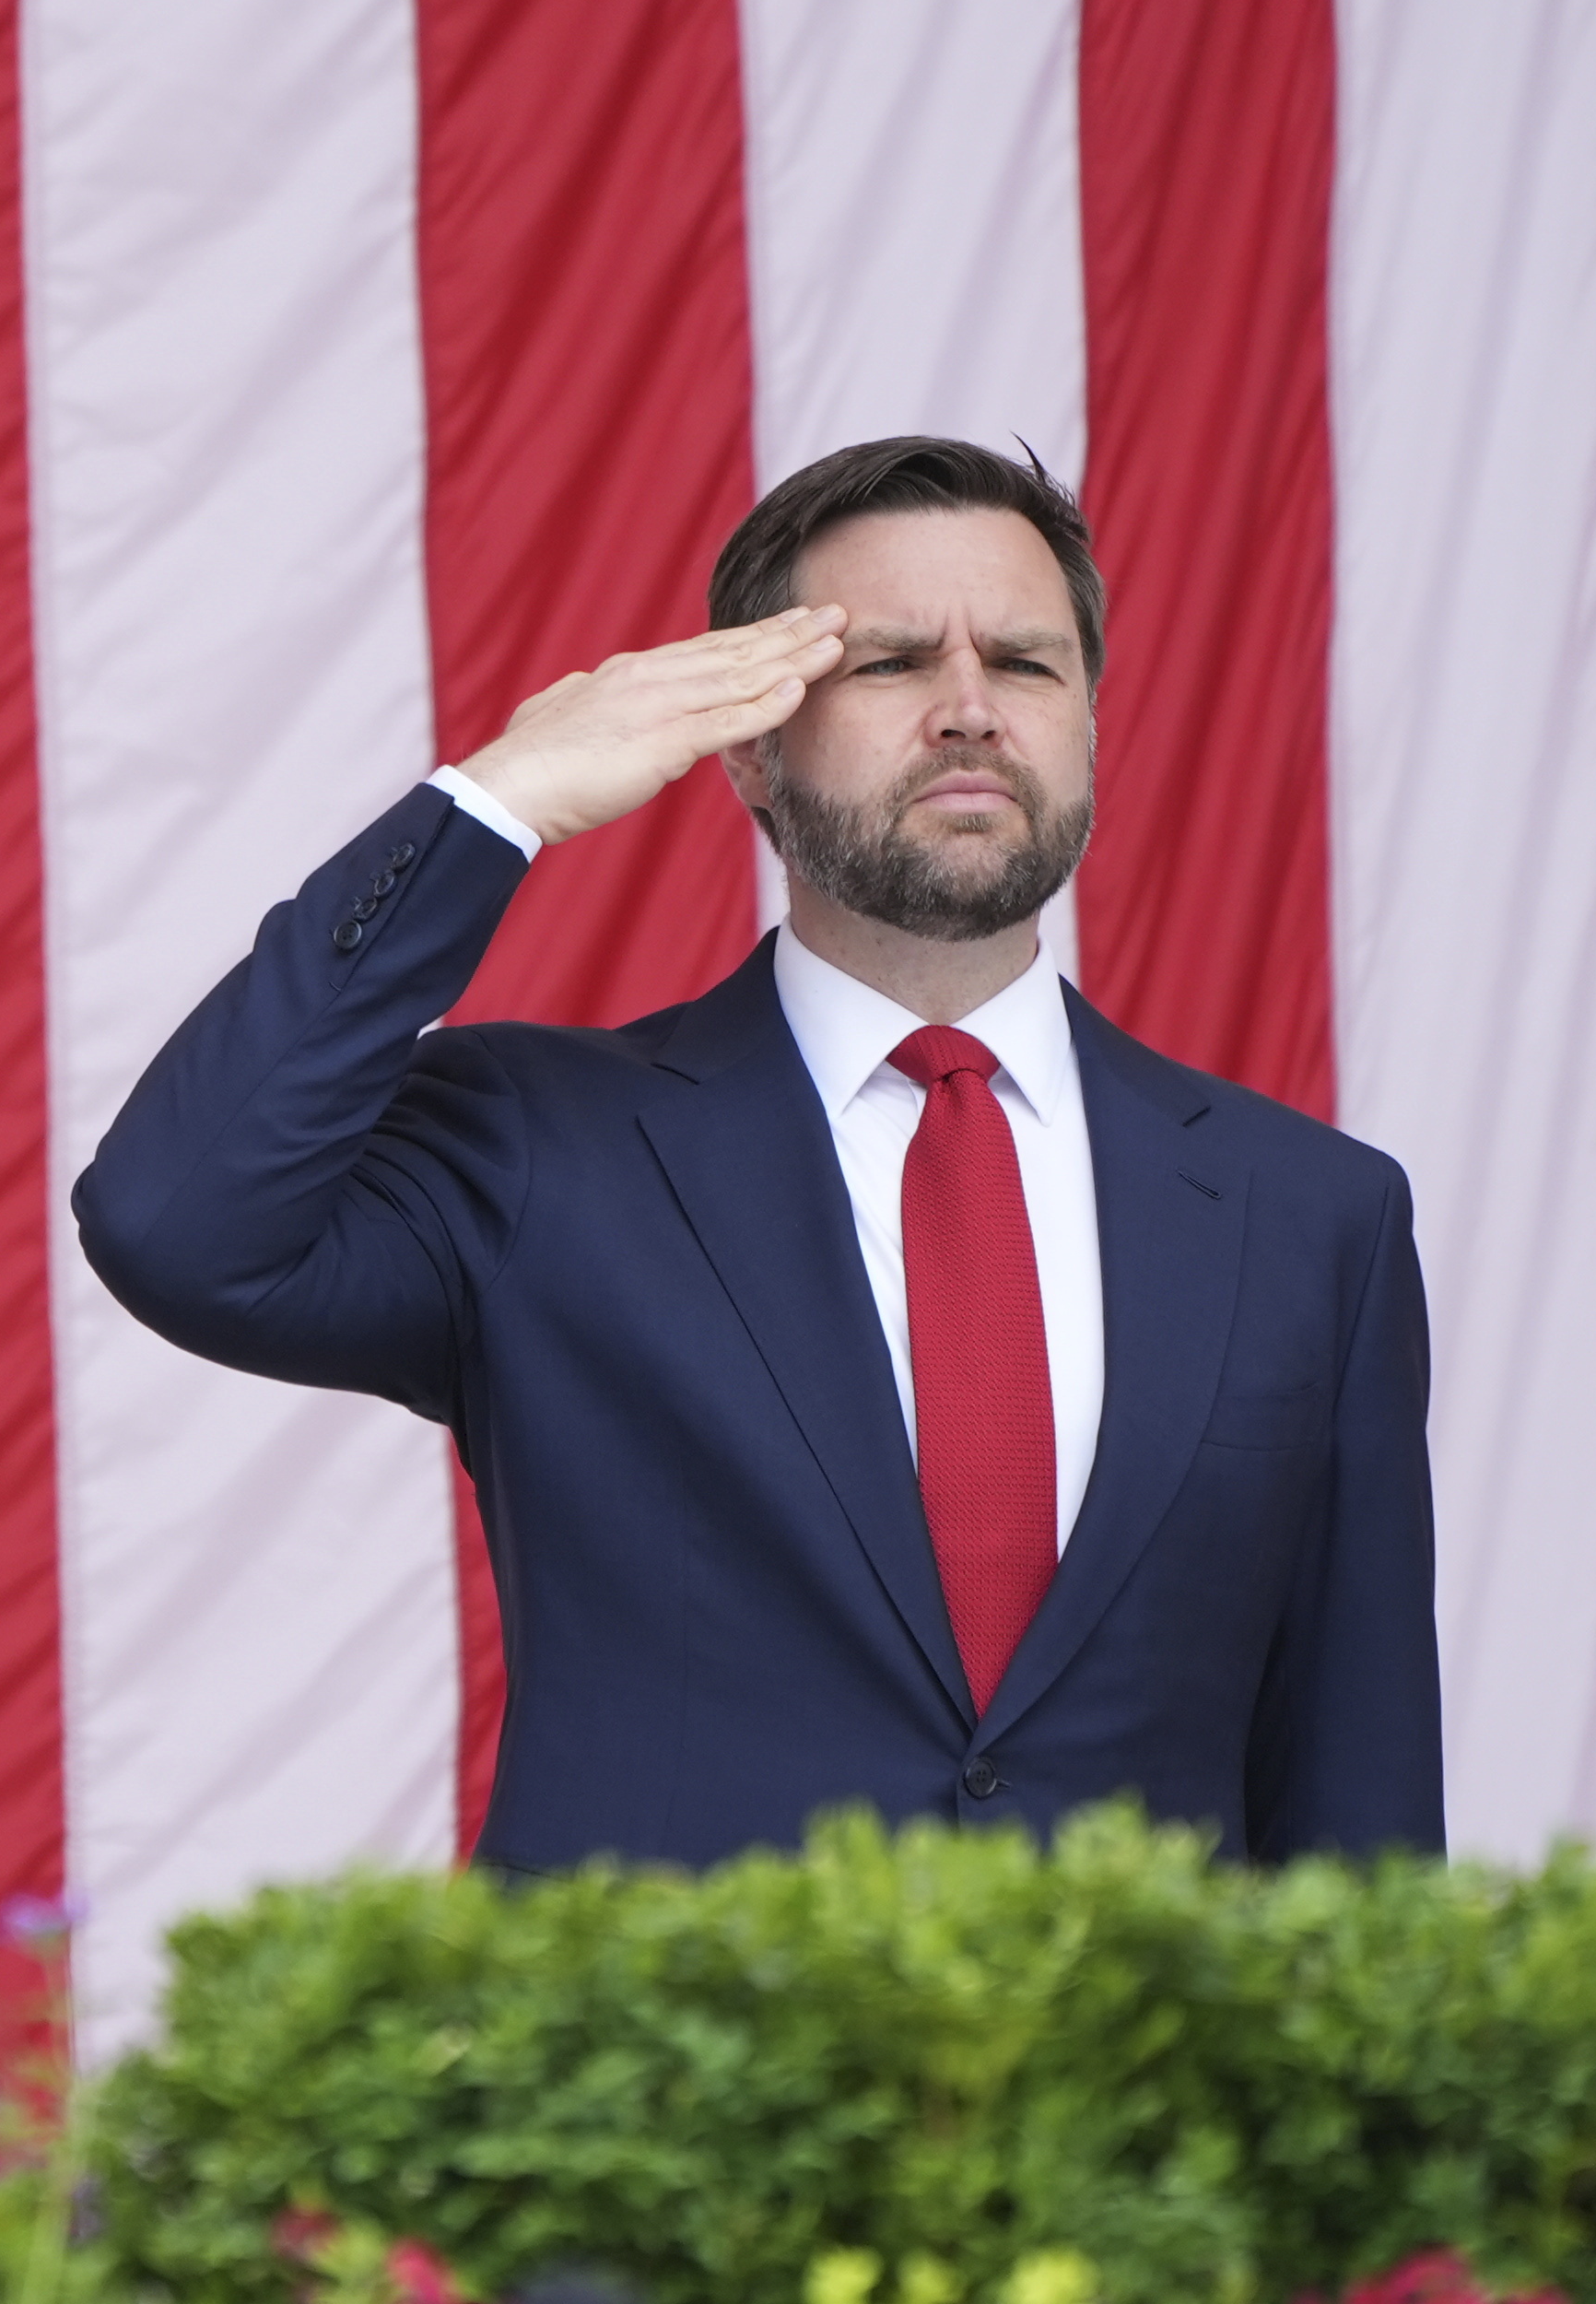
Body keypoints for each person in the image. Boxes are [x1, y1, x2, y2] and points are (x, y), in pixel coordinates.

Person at [76, 436, 1439, 1872]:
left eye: (1028, 665)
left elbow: (1361, 1819)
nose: (970, 711)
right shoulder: (542, 1147)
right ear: (750, 747)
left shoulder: (1310, 1216)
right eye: (894, 662)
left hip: (1138, 2089)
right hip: (657, 2083)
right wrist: (498, 805)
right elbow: (177, 1216)